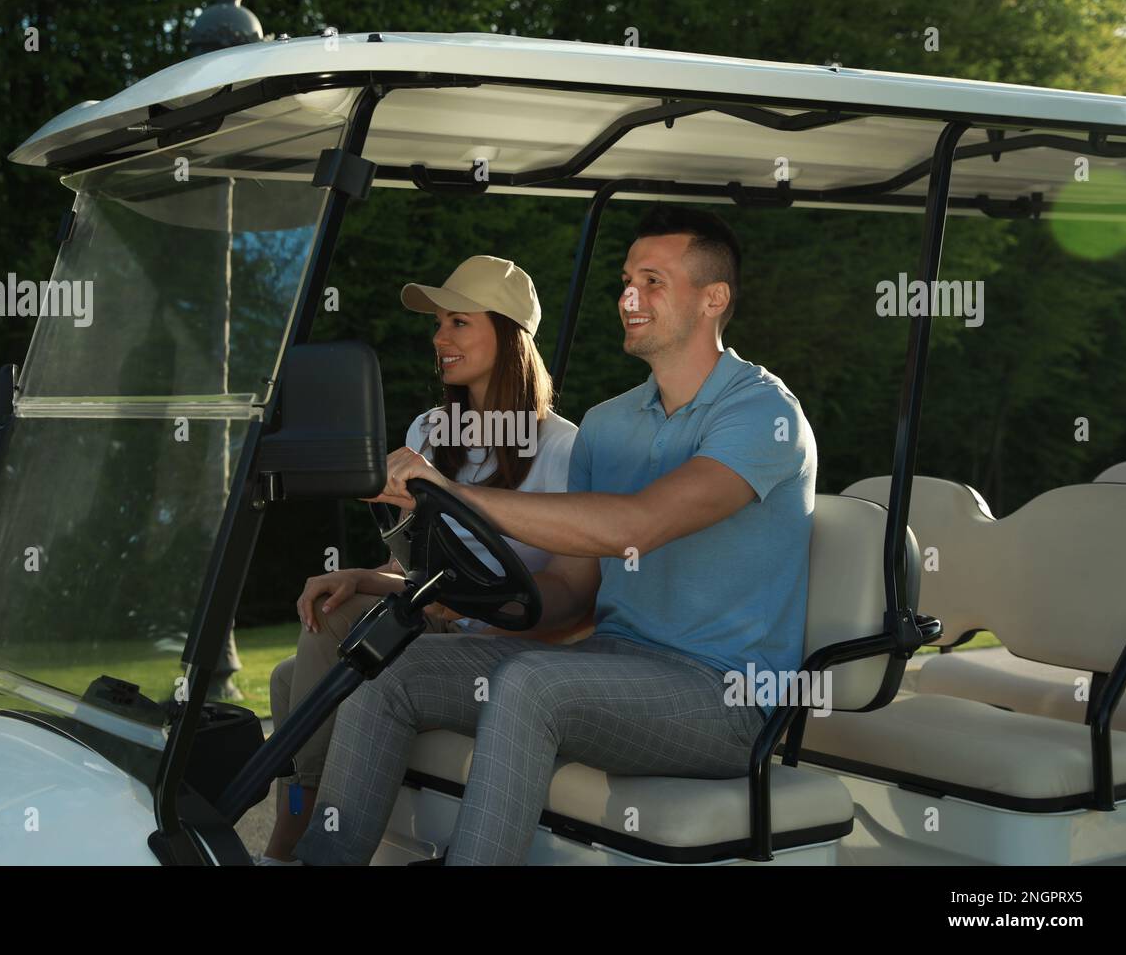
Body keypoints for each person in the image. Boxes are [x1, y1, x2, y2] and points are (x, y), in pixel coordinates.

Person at [291, 204, 818, 866]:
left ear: (714, 299)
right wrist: (475, 598)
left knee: (535, 685)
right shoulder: (609, 423)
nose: (630, 296)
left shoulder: (763, 413)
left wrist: (450, 493)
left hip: (728, 701)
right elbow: (571, 592)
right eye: (627, 279)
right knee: (387, 664)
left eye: (653, 281)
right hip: (612, 666)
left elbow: (640, 525)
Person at [261, 256, 580, 862]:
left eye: (458, 322)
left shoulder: (565, 449)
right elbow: (424, 579)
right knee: (317, 632)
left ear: (509, 336)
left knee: (309, 658)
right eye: (438, 324)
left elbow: (563, 594)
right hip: (438, 624)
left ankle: (292, 844)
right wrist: (359, 575)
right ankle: (299, 833)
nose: (439, 339)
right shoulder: (430, 433)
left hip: (510, 642)